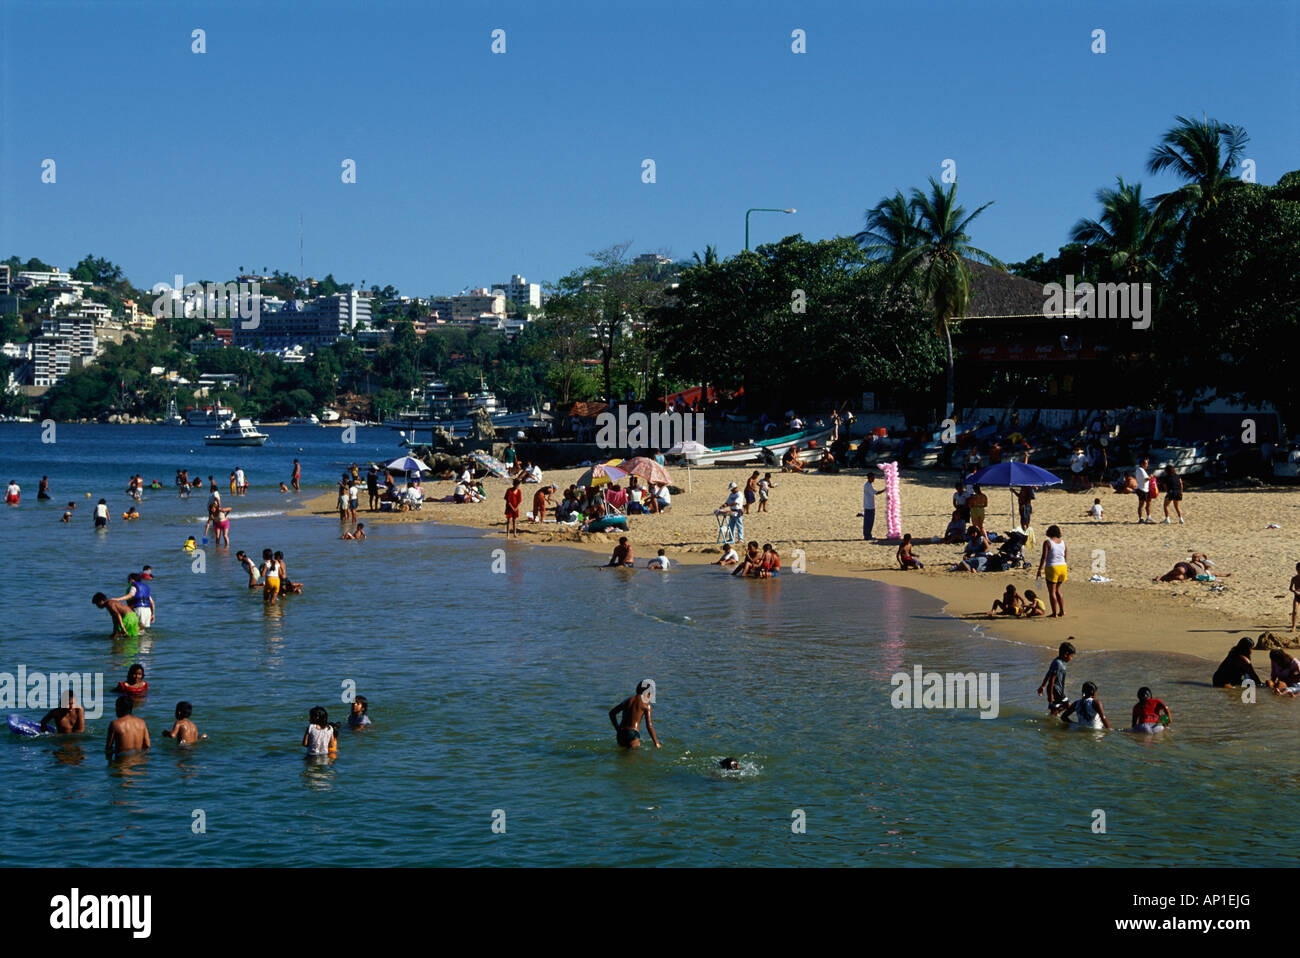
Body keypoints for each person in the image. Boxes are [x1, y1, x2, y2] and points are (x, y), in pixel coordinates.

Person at [608, 680, 661, 749]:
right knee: (632, 759)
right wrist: (656, 743)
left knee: (621, 756)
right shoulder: (646, 705)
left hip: (621, 733)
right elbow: (649, 725)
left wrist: (617, 729)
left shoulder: (627, 700)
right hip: (632, 733)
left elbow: (612, 713)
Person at [1035, 524, 1068, 617]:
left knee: (1052, 591)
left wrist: (1039, 569)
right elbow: (1065, 555)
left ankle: (1054, 613)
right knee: (1058, 590)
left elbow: (1044, 557)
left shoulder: (1048, 542)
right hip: (1062, 566)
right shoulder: (1063, 542)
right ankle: (1062, 611)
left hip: (1052, 567)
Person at [1037, 640, 1076, 715]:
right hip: (1056, 690)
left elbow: (1048, 673)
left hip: (1057, 690)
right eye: (1071, 656)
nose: (1071, 658)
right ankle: (1056, 716)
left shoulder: (1057, 661)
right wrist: (1050, 694)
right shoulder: (1058, 664)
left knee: (1057, 707)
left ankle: (1052, 717)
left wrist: (1043, 686)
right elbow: (1052, 679)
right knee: (1067, 704)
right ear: (1066, 654)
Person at [1133, 458, 1152, 523]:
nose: (1147, 465)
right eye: (1146, 464)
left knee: (1148, 503)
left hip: (1145, 489)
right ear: (1142, 464)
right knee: (1142, 504)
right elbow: (1146, 479)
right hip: (1142, 489)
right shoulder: (1140, 470)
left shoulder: (1141, 470)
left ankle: (1148, 517)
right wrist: (1151, 477)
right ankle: (1141, 518)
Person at [862, 472, 877, 540]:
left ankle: (868, 535)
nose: (874, 479)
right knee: (869, 522)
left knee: (869, 521)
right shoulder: (868, 485)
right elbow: (876, 493)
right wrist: (885, 490)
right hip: (869, 507)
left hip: (869, 506)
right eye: (872, 477)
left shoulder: (869, 485)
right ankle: (867, 536)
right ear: (869, 478)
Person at [1291, 562, 1300, 633]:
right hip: (1297, 597)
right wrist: (1294, 591)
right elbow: (1290, 588)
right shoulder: (1294, 578)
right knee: (1295, 611)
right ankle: (1293, 626)